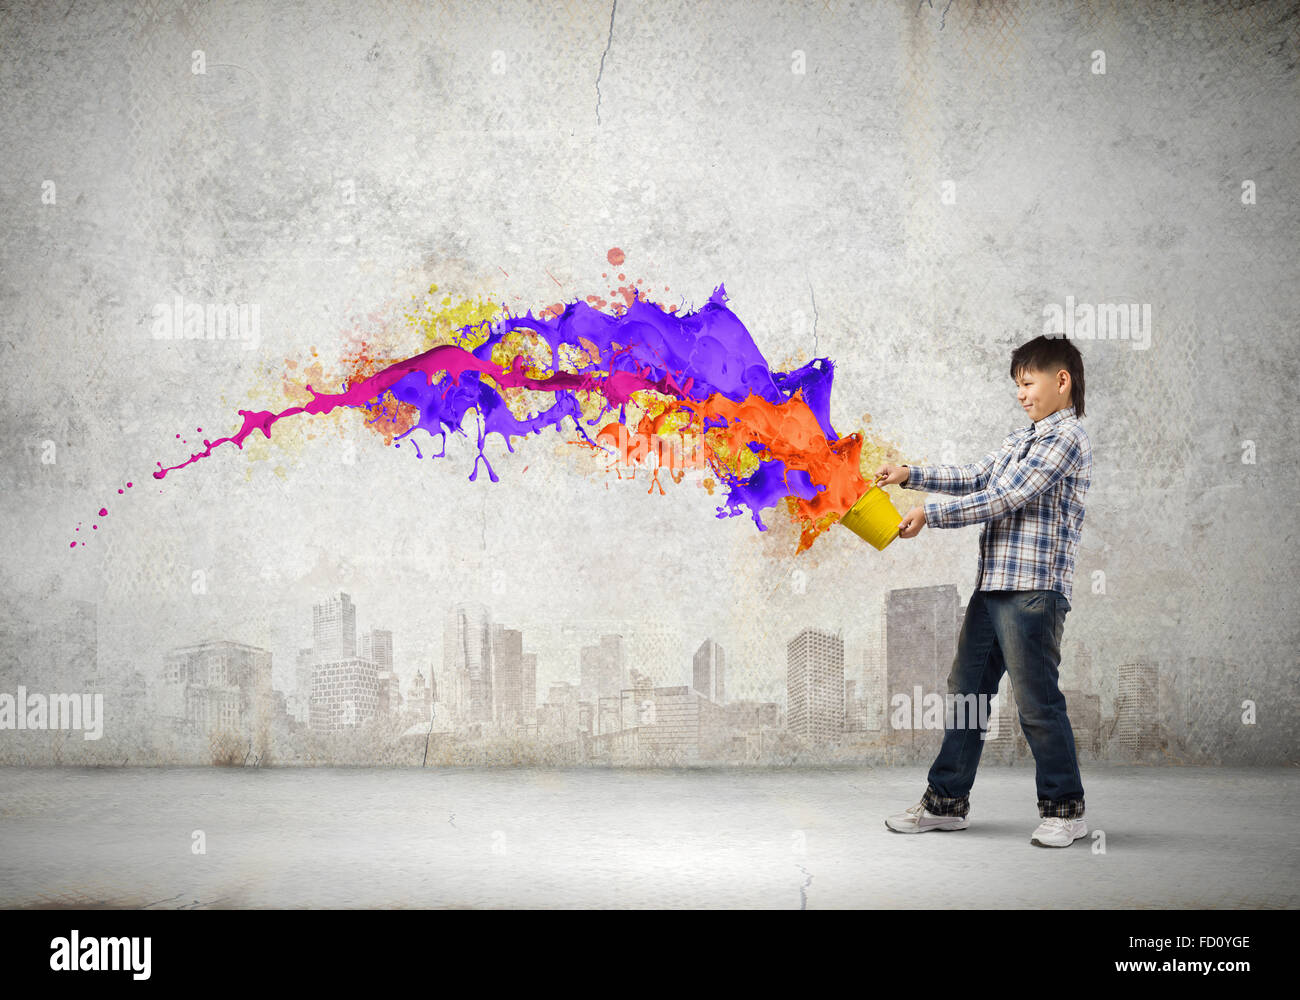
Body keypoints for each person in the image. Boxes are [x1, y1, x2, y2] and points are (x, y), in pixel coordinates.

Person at [874, 334, 1093, 847]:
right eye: (1016, 384)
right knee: (967, 695)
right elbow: (976, 475)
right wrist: (912, 475)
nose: (1020, 393)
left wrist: (931, 514)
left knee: (1037, 701)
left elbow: (1006, 497)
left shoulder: (1068, 438)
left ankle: (1065, 809)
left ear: (1061, 381)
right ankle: (947, 803)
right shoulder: (1024, 439)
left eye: (1028, 382)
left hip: (1034, 591)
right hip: (993, 587)